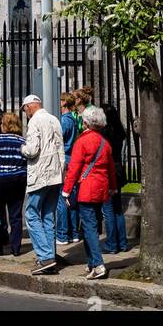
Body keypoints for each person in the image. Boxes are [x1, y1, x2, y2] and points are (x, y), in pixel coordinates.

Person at [63, 106, 117, 279]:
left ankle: (99, 264)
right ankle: (92, 262)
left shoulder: (82, 141)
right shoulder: (105, 142)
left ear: (85, 122)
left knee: (89, 227)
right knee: (89, 226)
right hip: (101, 188)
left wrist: (66, 191)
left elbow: (74, 168)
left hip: (86, 188)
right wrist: (113, 186)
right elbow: (111, 168)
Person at [20, 94, 65, 276]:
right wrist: (61, 170)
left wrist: (22, 148)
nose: (25, 113)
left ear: (30, 106)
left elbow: (32, 150)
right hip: (55, 175)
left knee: (31, 215)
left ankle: (45, 256)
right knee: (48, 216)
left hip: (40, 174)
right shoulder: (54, 119)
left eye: (24, 109)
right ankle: (50, 256)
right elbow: (60, 147)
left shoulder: (34, 122)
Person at [0, 110, 26, 256]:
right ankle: (16, 248)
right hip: (18, 180)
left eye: (2, 123)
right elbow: (25, 161)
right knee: (16, 215)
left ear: (5, 125)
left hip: (0, 180)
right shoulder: (22, 141)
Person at [100, 103, 130, 253]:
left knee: (108, 209)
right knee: (117, 208)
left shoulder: (104, 133)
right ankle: (122, 243)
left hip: (108, 170)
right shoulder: (120, 131)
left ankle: (112, 244)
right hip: (118, 168)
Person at [56, 92, 80, 247]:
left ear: (64, 103)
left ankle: (63, 234)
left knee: (62, 199)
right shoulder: (74, 119)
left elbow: (59, 140)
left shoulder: (64, 120)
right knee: (71, 199)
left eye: (60, 101)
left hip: (64, 160)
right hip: (72, 159)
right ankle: (74, 233)